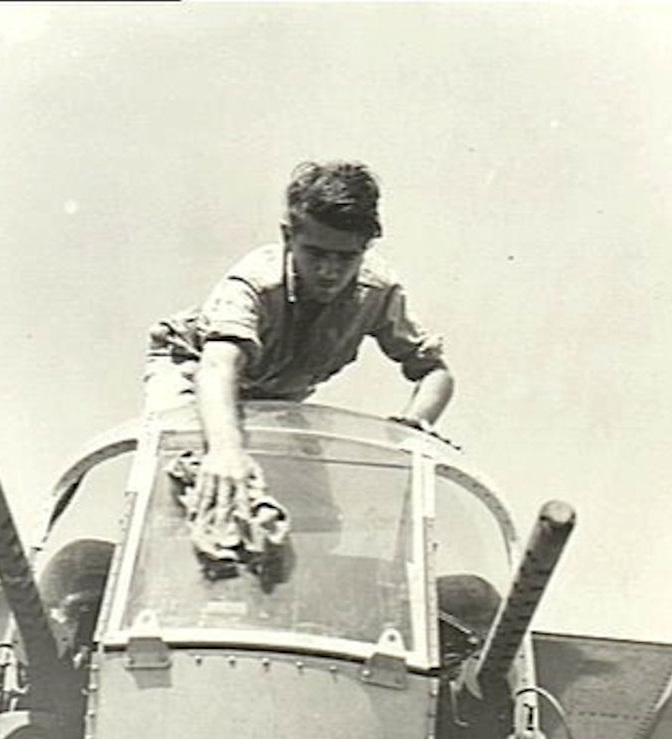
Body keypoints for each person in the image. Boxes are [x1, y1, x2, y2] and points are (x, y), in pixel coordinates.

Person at [144, 160, 454, 515]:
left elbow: (434, 372)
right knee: (189, 482)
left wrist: (414, 424)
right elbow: (218, 365)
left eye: (346, 257)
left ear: (366, 248)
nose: (329, 271)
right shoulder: (254, 284)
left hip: (279, 392)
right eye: (316, 253)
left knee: (316, 513)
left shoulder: (378, 291)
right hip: (193, 371)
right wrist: (225, 450)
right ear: (288, 236)